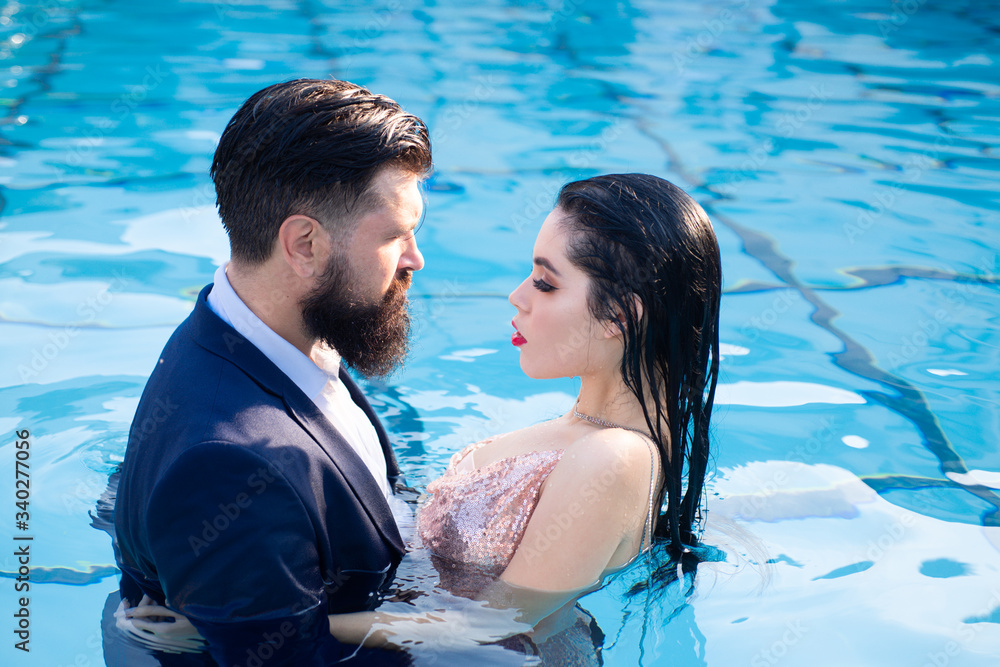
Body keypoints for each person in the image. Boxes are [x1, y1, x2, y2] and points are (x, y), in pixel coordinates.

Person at [128, 173, 723, 664]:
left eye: (545, 283)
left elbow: (492, 624)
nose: (517, 295)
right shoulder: (587, 435)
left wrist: (253, 624)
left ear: (620, 315)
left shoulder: (614, 458)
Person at [110, 78, 432, 665]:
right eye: (395, 236)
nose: (415, 258)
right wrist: (445, 629)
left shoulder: (259, 333)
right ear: (305, 243)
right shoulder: (227, 464)